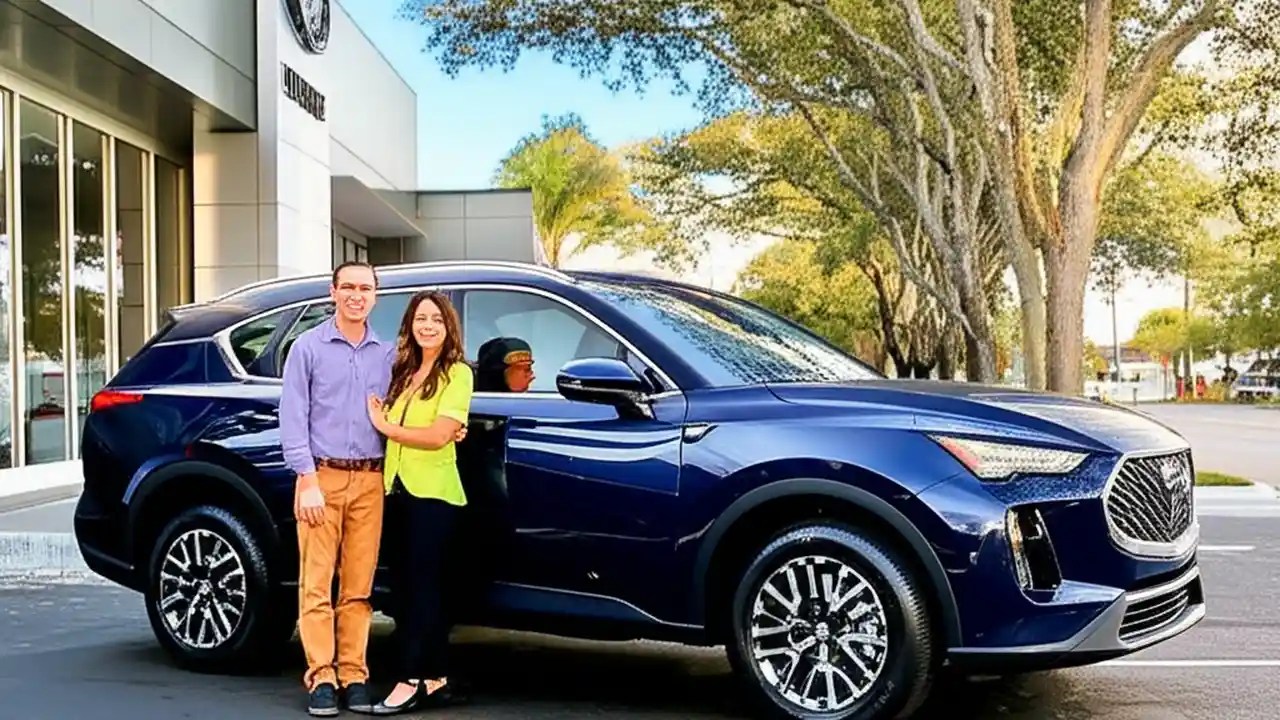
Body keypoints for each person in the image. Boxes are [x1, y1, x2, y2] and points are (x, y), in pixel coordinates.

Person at [279, 261, 391, 717]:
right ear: (333, 292)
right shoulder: (307, 348)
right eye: (348, 287)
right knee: (317, 584)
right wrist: (305, 477)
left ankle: (354, 672)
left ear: (375, 296)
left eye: (365, 288)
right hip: (320, 478)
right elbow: (292, 416)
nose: (356, 295)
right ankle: (321, 676)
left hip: (370, 480)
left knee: (359, 587)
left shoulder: (387, 354)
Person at [365, 290, 474, 715]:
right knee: (410, 589)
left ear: (449, 328)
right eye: (420, 318)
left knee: (421, 592)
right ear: (410, 324)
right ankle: (436, 677)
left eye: (436, 319)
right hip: (397, 491)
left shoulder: (457, 373)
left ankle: (408, 680)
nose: (427, 326)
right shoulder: (403, 371)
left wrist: (385, 426)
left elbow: (437, 435)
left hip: (434, 496)